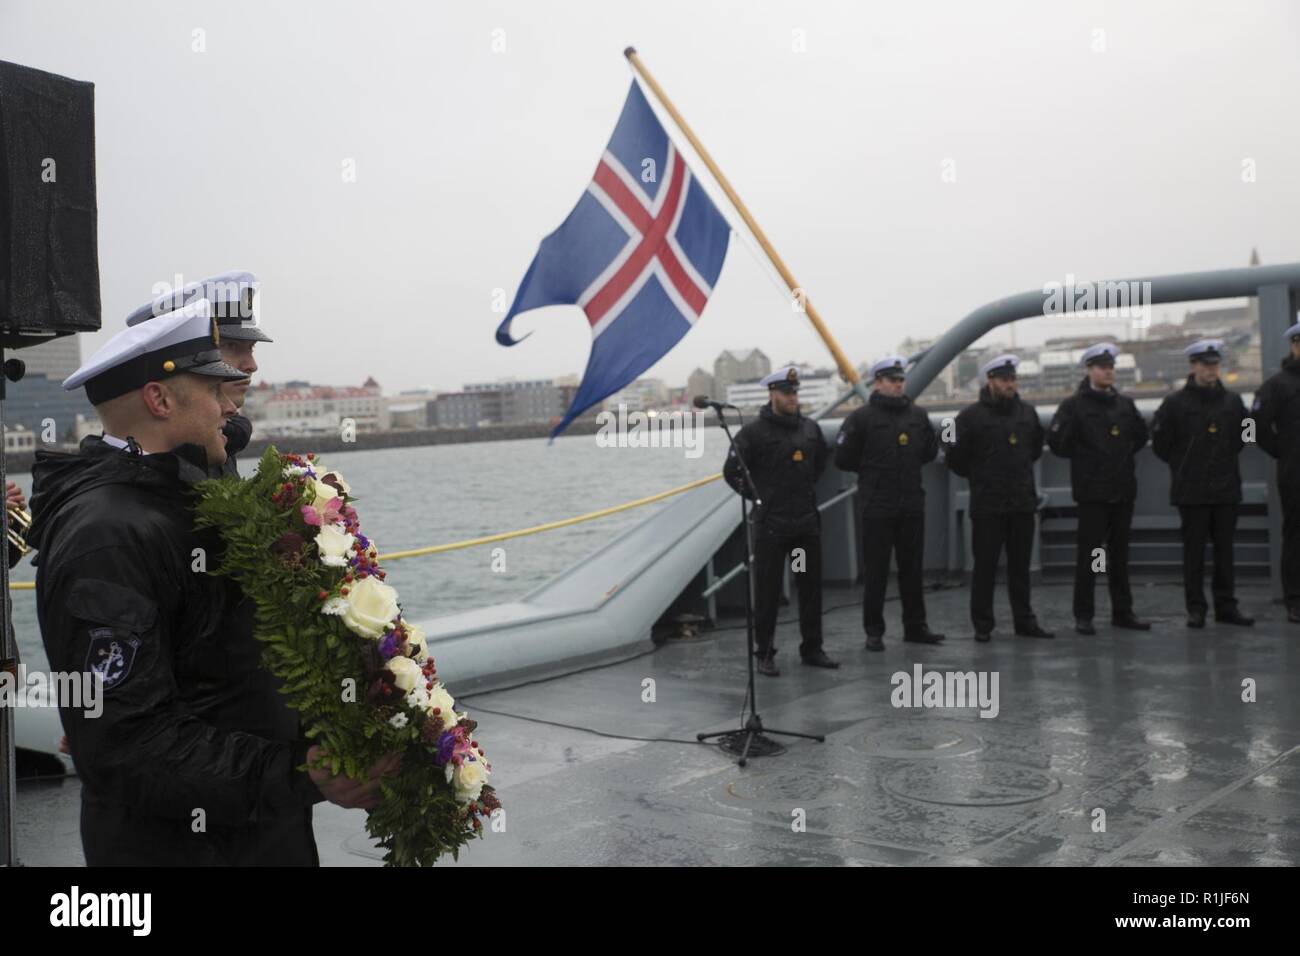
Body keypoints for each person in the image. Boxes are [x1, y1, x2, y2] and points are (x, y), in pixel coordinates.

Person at [28, 300, 396, 866]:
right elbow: (126, 744)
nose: (232, 402)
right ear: (160, 399)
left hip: (252, 830)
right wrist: (302, 772)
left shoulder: (184, 497)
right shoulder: (107, 537)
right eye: (214, 389)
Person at [723, 365, 836, 675]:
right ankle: (765, 653)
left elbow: (819, 464)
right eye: (787, 393)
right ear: (772, 394)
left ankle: (812, 648)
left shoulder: (810, 429)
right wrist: (760, 498)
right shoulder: (753, 434)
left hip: (803, 528)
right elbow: (732, 473)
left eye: (795, 392)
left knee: (809, 588)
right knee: (768, 593)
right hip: (772, 529)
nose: (792, 397)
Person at [833, 355, 943, 651]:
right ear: (878, 383)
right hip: (877, 507)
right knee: (877, 572)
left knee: (912, 569)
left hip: (910, 505)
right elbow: (843, 458)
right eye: (892, 380)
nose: (898, 384)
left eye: (900, 380)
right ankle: (874, 631)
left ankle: (916, 626)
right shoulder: (861, 418)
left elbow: (928, 452)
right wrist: (873, 472)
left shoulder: (917, 416)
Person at [947, 354, 1053, 642]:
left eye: (1013, 379)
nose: (1011, 384)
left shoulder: (1027, 414)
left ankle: (1025, 621)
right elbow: (955, 459)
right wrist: (983, 478)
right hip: (988, 506)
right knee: (985, 568)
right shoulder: (969, 417)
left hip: (1021, 502)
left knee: (1020, 568)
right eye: (1005, 379)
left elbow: (1033, 450)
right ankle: (983, 625)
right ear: (990, 381)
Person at [125, 270, 272, 476]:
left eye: (251, 348)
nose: (251, 365)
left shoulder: (221, 437)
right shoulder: (160, 458)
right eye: (231, 346)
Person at [1047, 342, 1151, 635]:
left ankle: (1123, 611)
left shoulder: (1124, 404)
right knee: (1092, 556)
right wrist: (1086, 462)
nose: (1109, 372)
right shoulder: (1073, 406)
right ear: (1090, 370)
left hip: (1122, 491)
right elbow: (1058, 444)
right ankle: (1085, 613)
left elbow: (1140, 436)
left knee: (1119, 555)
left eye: (1111, 367)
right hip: (1093, 494)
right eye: (1103, 367)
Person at [1150, 339, 1254, 628]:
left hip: (1225, 489)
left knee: (1225, 552)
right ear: (1193, 366)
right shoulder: (1174, 403)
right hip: (1191, 491)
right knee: (1193, 554)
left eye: (1215, 365)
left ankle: (1226, 606)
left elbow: (1245, 436)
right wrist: (1184, 465)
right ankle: (1196, 608)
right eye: (1206, 365)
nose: (1211, 370)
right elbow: (1161, 443)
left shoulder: (1233, 402)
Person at [1253, 320, 1300, 625]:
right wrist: (1284, 453)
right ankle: (1295, 599)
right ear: (1294, 346)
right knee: (1296, 535)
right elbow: (1255, 426)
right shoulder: (1278, 385)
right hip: (1296, 472)